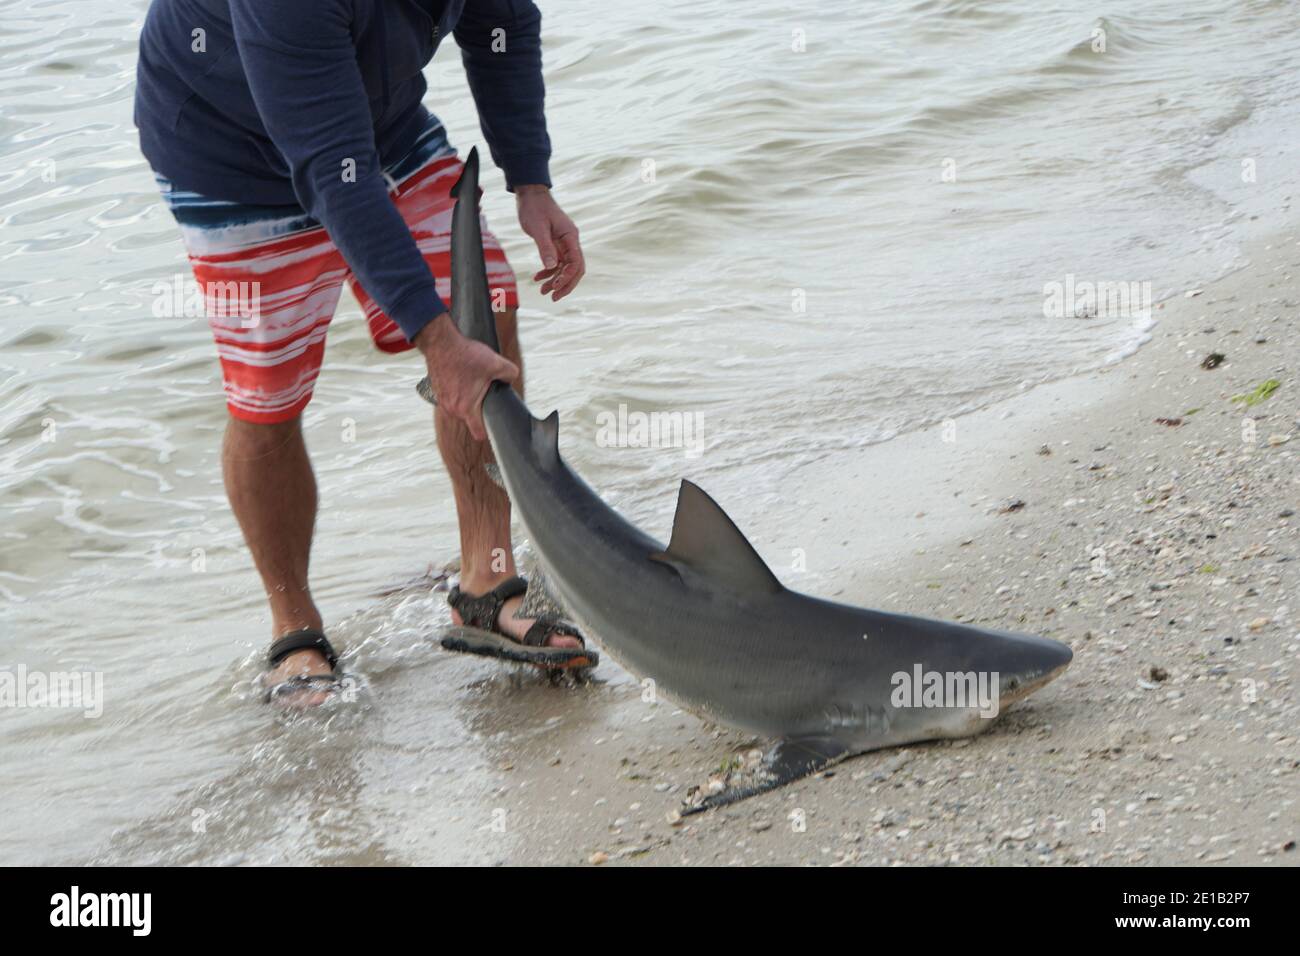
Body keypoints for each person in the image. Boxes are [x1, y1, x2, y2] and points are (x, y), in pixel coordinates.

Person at [134, 0, 590, 704]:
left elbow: (502, 25)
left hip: (386, 125)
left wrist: (531, 182)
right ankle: (296, 632)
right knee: (268, 396)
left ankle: (484, 582)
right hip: (228, 158)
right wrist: (435, 342)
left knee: (485, 314)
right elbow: (329, 166)